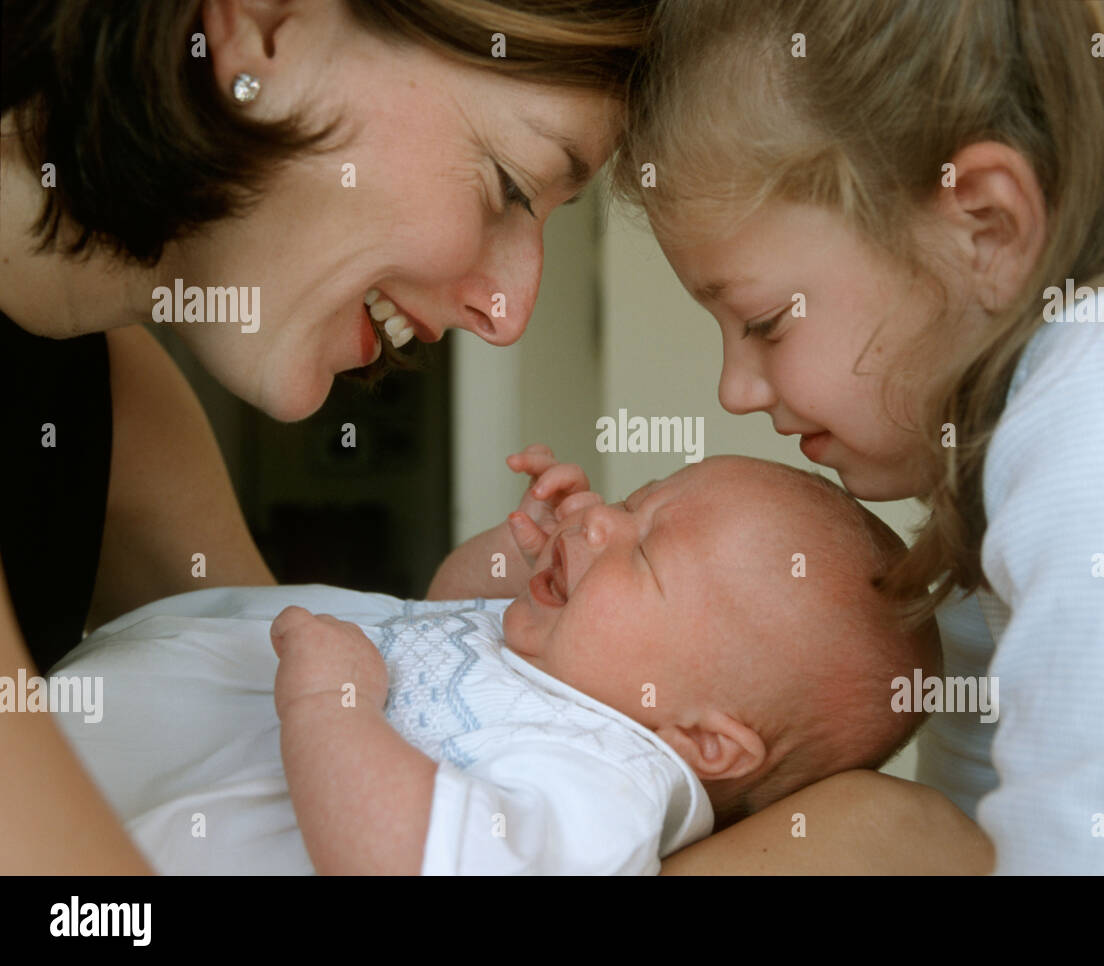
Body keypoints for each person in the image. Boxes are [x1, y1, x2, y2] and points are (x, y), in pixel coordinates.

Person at [610, 0, 1104, 873]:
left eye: (766, 321)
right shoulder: (999, 465)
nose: (736, 390)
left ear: (986, 226)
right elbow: (985, 829)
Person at [0, 0, 657, 873]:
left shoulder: (104, 395)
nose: (509, 312)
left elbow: (266, 745)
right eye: (508, 184)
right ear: (268, 24)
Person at [51, 449, 953, 874]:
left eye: (642, 555)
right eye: (636, 501)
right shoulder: (572, 670)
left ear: (705, 742)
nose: (600, 520)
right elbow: (449, 618)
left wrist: (329, 704)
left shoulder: (603, 785)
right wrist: (517, 557)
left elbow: (403, 861)